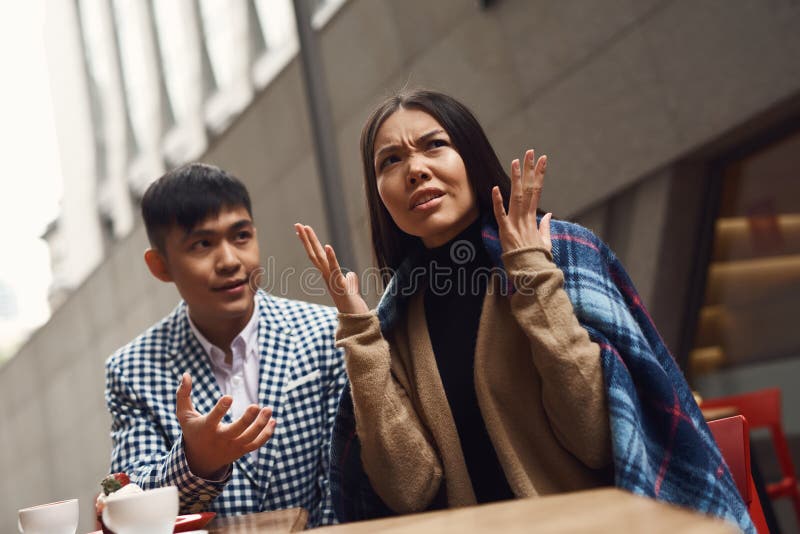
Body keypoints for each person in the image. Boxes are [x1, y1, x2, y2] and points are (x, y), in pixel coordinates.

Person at [295, 89, 755, 533]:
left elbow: (596, 440)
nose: (415, 169)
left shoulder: (562, 253)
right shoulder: (396, 318)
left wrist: (532, 276)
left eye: (434, 145)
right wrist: (361, 336)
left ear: (470, 158)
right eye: (390, 161)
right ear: (380, 195)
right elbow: (409, 491)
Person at [105, 163, 345, 527]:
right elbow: (129, 503)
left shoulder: (325, 333)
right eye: (202, 244)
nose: (230, 261)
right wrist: (196, 462)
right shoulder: (132, 369)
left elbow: (344, 484)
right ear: (160, 266)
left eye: (241, 236)